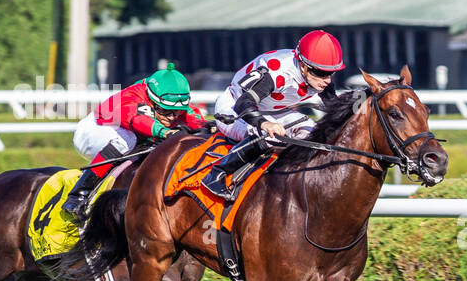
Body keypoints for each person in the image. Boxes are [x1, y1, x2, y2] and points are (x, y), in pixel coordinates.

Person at [201, 29, 345, 197]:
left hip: (273, 111)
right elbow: (243, 104)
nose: (327, 80)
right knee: (267, 136)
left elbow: (335, 108)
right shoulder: (277, 73)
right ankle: (216, 174)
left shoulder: (318, 75)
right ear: (304, 66)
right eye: (320, 73)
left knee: (312, 131)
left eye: (331, 73)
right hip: (235, 108)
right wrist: (265, 123)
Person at [63, 63, 204, 216]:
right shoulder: (133, 96)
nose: (171, 117)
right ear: (152, 101)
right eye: (165, 111)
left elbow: (192, 116)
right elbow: (138, 120)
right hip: (93, 131)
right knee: (127, 140)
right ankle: (79, 194)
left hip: (123, 130)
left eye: (176, 112)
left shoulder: (169, 97)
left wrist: (207, 127)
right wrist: (164, 132)